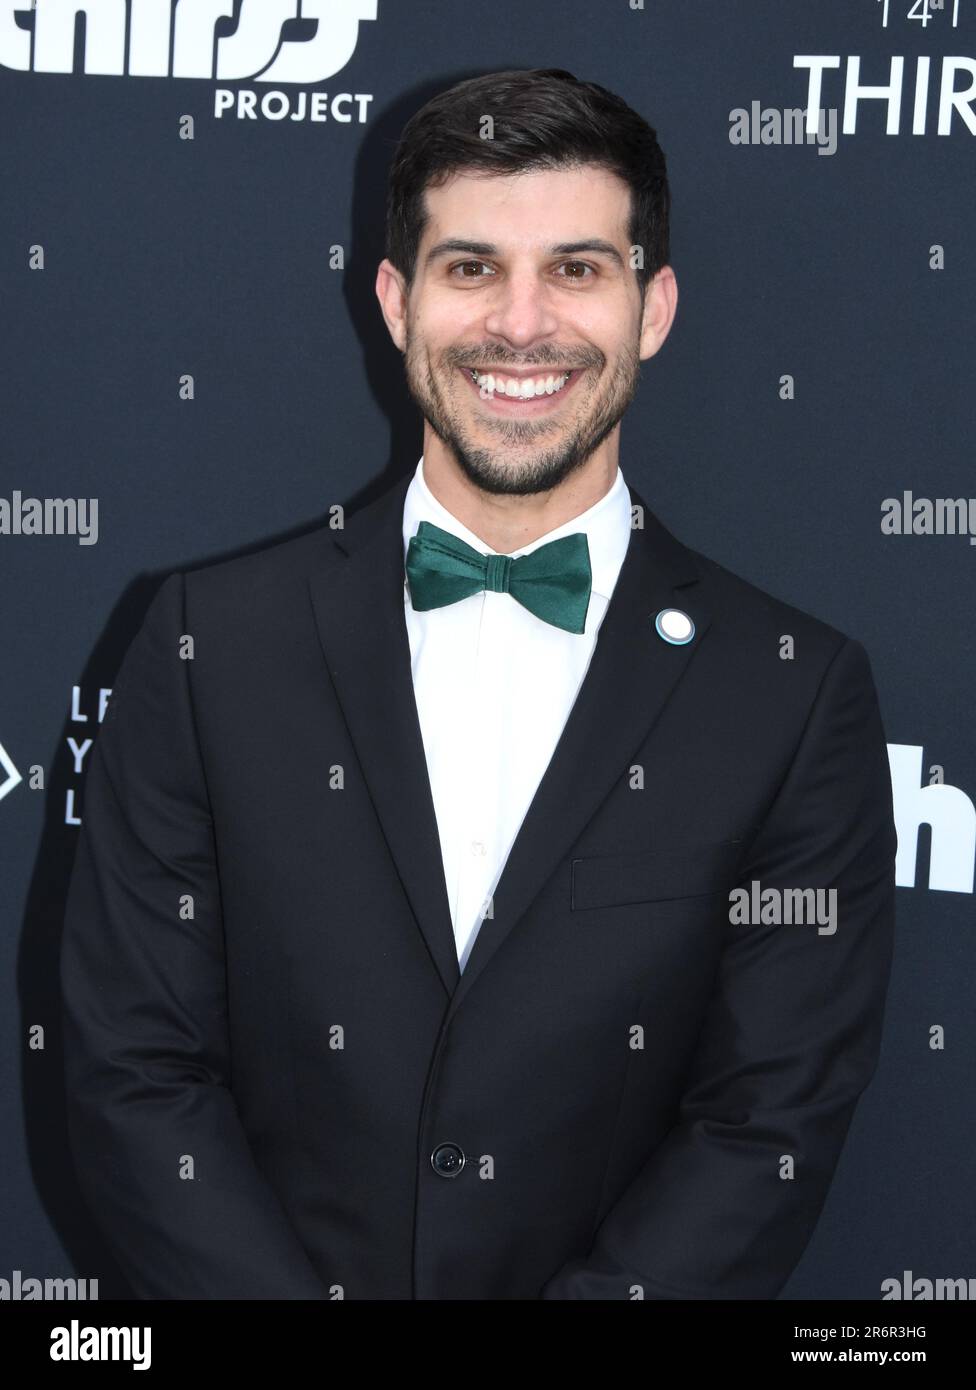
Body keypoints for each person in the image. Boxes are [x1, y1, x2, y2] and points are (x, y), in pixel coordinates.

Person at [60, 68, 897, 1300]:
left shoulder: (792, 691)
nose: (520, 325)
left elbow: (766, 1120)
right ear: (395, 301)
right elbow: (133, 1069)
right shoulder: (204, 644)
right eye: (469, 268)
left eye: (575, 267)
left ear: (651, 306)